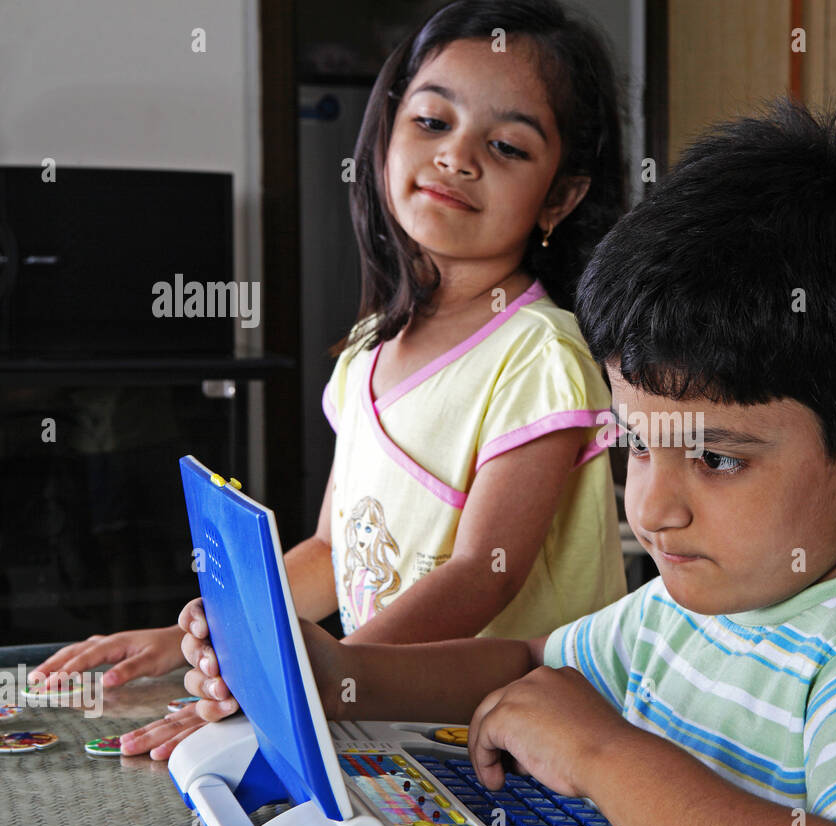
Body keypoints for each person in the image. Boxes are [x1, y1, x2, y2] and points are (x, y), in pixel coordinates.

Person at [179, 95, 836, 826]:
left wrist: (604, 755)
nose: (650, 509)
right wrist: (336, 675)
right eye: (639, 448)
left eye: (717, 459)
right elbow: (530, 661)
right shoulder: (694, 603)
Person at [30, 0, 629, 759]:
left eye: (507, 146)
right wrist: (221, 637)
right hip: (395, 725)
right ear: (385, 136)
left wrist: (316, 683)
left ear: (561, 197)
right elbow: (328, 552)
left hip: (519, 743)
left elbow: (485, 573)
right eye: (433, 122)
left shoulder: (541, 355)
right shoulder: (371, 349)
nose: (457, 157)